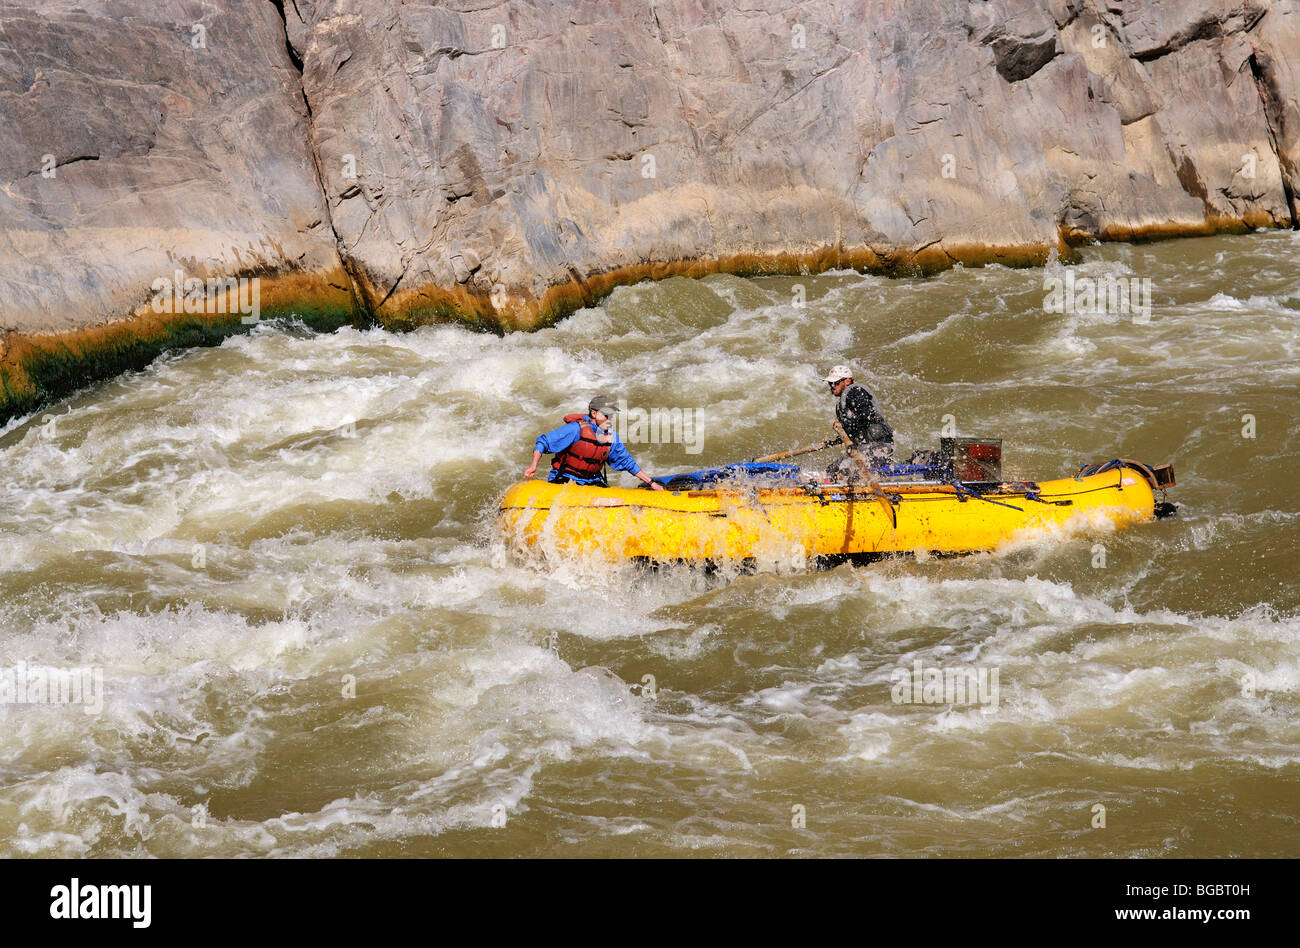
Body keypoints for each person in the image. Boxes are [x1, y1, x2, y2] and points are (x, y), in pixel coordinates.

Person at [525, 394, 667, 490]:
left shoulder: (611, 437)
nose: (610, 419)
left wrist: (652, 483)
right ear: (594, 413)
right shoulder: (575, 429)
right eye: (607, 415)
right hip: (565, 480)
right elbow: (543, 442)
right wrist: (533, 465)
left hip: (591, 482)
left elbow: (627, 462)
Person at [823, 364, 894, 481]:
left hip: (878, 447)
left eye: (835, 383)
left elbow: (867, 414)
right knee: (832, 470)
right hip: (865, 448)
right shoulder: (843, 402)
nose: (832, 386)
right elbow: (856, 427)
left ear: (847, 381)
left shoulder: (855, 391)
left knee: (848, 475)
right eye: (830, 383)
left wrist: (845, 424)